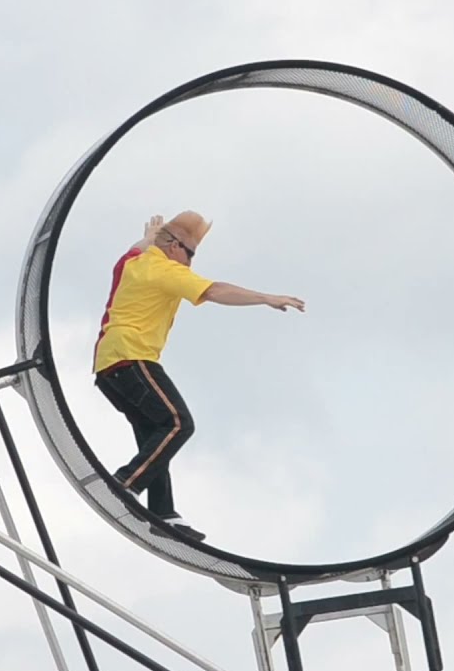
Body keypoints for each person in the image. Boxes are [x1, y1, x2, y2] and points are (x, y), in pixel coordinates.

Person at [92, 211, 305, 541]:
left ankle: (163, 512)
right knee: (178, 423)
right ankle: (123, 483)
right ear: (175, 247)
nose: (190, 262)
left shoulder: (134, 261)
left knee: (155, 435)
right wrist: (266, 298)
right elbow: (215, 290)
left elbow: (136, 247)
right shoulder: (162, 269)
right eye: (190, 253)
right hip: (129, 357)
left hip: (110, 365)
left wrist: (149, 239)